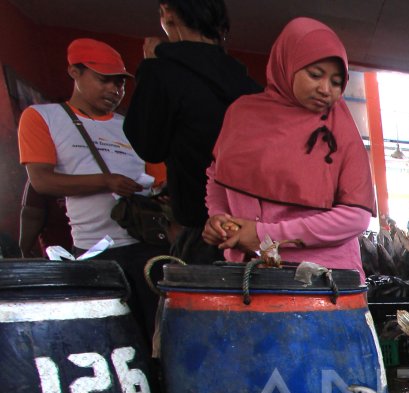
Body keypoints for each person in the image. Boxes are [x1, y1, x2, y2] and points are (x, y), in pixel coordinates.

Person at [18, 38, 169, 336]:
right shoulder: (43, 117)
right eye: (104, 80)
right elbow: (41, 182)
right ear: (75, 72)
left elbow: (160, 178)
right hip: (95, 250)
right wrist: (105, 181)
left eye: (120, 83)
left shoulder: (130, 124)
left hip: (147, 245)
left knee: (159, 333)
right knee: (110, 334)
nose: (114, 90)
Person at [203, 18, 375, 276]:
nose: (326, 89)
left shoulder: (341, 130)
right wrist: (219, 218)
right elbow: (218, 176)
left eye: (337, 82)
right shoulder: (243, 114)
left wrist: (265, 235)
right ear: (287, 64)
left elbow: (355, 217)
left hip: (323, 280)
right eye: (315, 75)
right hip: (248, 275)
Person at [124, 0, 261, 264]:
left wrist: (151, 66)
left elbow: (149, 145)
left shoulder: (162, 73)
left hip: (201, 228)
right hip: (253, 232)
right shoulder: (249, 85)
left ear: (167, 13)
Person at [18, 179, 72, 258]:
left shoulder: (40, 175)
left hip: (57, 254)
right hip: (90, 248)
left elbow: (32, 216)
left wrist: (25, 250)